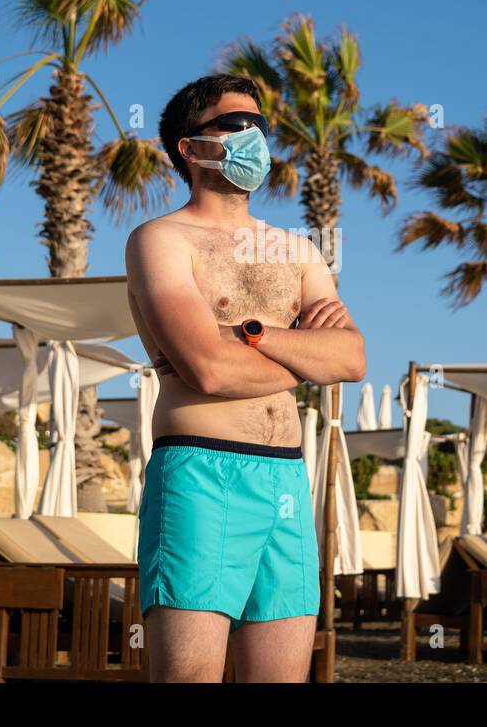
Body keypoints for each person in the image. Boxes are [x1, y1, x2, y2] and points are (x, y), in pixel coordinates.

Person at [125, 73, 366, 682]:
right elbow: (206, 369)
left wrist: (256, 335)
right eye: (237, 126)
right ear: (191, 146)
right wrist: (306, 355)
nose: (255, 138)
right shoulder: (160, 240)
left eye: (261, 127)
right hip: (201, 474)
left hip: (287, 475)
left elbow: (352, 361)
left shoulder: (298, 251)